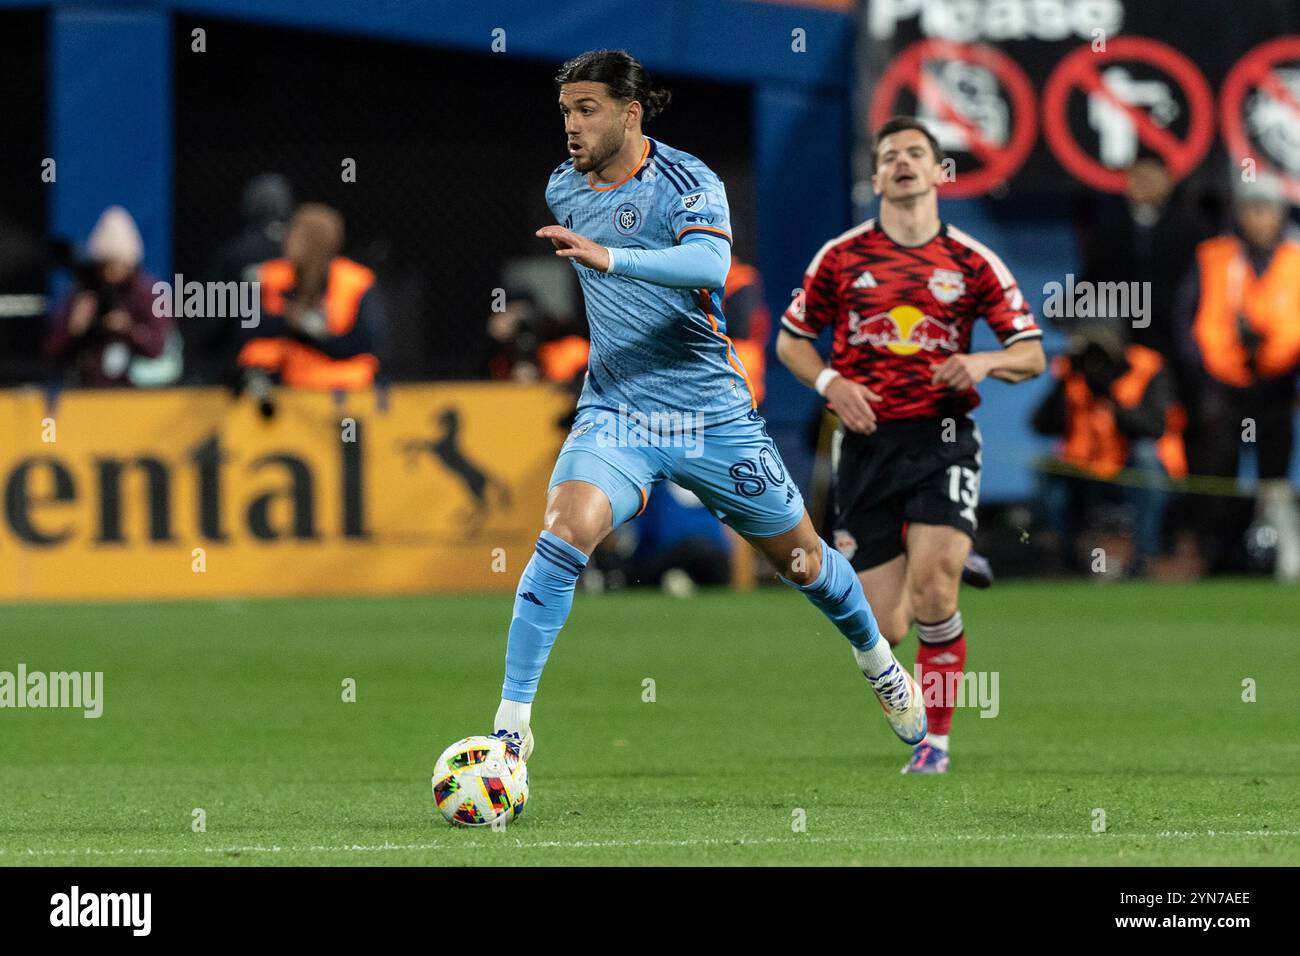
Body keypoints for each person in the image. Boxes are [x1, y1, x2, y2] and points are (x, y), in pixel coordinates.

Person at [489, 50, 928, 768]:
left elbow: (708, 268)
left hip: (710, 415)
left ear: (630, 113)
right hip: (618, 411)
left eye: (587, 108)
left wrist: (611, 257)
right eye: (565, 110)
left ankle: (876, 660)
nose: (571, 124)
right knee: (565, 533)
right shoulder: (563, 187)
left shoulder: (689, 181)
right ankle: (512, 727)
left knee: (805, 562)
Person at [775, 117, 1046, 774]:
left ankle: (936, 743)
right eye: (889, 154)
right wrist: (832, 383)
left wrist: (981, 365)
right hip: (865, 446)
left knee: (935, 593)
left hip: (942, 438)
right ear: (874, 178)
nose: (901, 161)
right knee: (886, 627)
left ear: (938, 173)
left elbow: (1031, 355)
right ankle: (949, 554)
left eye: (915, 153)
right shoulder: (841, 258)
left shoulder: (972, 261)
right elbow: (790, 341)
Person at [1176, 174, 1300, 580]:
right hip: (1223, 386)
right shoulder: (1215, 256)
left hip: (1279, 385)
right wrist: (1204, 374)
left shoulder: (1295, 258)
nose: (1259, 218)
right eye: (1251, 209)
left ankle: (1286, 556)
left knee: (1275, 474)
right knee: (1219, 472)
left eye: (1266, 209)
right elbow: (1186, 318)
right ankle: (1221, 556)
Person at [1031, 322, 1186, 574]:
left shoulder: (1147, 366)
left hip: (1132, 469)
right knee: (1045, 470)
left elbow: (1153, 427)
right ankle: (1068, 558)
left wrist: (1111, 397)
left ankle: (1143, 558)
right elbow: (1040, 423)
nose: (1095, 361)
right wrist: (1068, 382)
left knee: (1147, 459)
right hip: (1086, 467)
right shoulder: (1072, 371)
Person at [237, 203, 383, 408]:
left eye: (297, 235)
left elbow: (363, 344)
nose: (287, 241)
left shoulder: (356, 281)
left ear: (317, 242)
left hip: (342, 394)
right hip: (281, 389)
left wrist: (309, 328)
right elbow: (245, 327)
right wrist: (287, 320)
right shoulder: (267, 276)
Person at [44, 206, 173, 388]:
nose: (111, 275)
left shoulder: (146, 295)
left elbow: (158, 348)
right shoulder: (86, 294)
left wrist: (128, 329)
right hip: (88, 390)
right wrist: (74, 329)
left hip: (139, 394)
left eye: (118, 265)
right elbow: (53, 349)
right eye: (106, 266)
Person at [193, 173, 294, 384]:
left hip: (241, 363)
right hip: (296, 364)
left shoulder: (234, 254)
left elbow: (212, 315)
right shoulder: (301, 252)